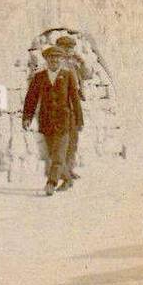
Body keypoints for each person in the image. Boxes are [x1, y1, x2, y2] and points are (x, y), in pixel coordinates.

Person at [22, 47, 84, 196]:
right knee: (52, 154)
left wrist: (79, 120)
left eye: (57, 58)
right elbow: (31, 98)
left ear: (62, 60)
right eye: (51, 58)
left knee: (58, 154)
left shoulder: (68, 76)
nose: (54, 60)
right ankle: (68, 179)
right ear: (46, 60)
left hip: (64, 121)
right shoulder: (39, 77)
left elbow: (75, 99)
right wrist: (27, 117)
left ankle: (51, 182)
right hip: (46, 121)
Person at [54, 35, 89, 178]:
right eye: (67, 48)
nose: (70, 51)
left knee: (73, 139)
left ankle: (69, 169)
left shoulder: (74, 64)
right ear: (60, 48)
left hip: (74, 105)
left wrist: (82, 61)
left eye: (71, 48)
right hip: (62, 106)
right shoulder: (56, 64)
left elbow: (87, 75)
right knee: (62, 140)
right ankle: (61, 171)